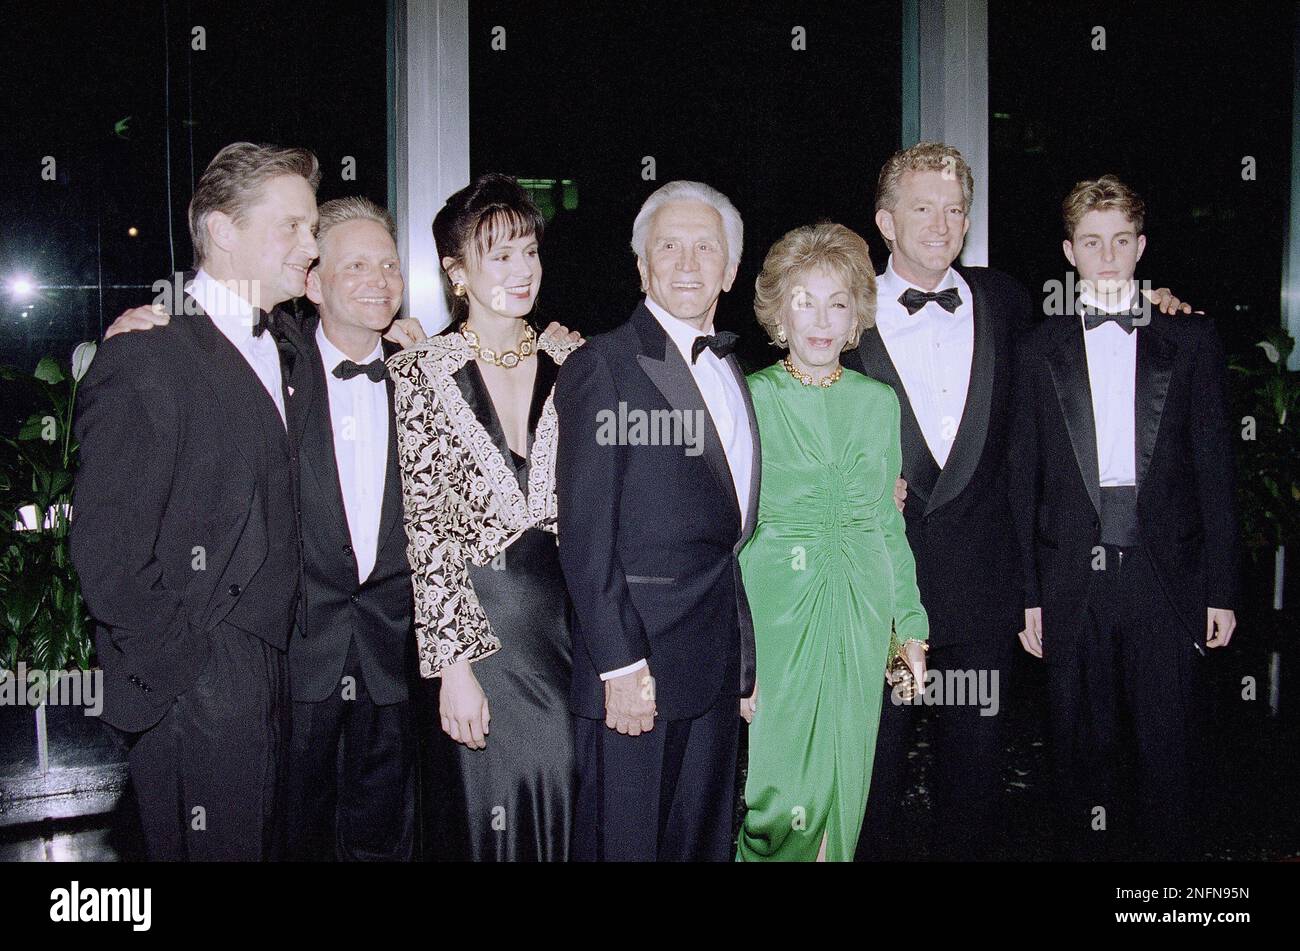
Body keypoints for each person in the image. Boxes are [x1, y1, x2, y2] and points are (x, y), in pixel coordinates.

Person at [843, 142, 1192, 861]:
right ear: (884, 220)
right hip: (872, 597)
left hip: (982, 597)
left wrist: (1157, 304)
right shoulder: (839, 311)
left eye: (955, 209)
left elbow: (1099, 311)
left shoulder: (1005, 301)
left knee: (972, 797)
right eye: (922, 208)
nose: (942, 224)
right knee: (867, 790)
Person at [71, 142, 320, 860]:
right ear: (220, 230)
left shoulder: (288, 345)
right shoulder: (147, 353)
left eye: (312, 228)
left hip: (274, 673)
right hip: (199, 678)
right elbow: (107, 553)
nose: (312, 243)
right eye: (293, 227)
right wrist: (185, 665)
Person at [1009, 175, 1238, 861]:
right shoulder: (1034, 349)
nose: (1106, 257)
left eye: (1118, 242)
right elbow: (1024, 482)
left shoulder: (1191, 339)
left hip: (1166, 576)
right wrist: (1028, 594)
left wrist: (1222, 588)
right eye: (1090, 242)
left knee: (1170, 759)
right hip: (1072, 576)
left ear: (1139, 246)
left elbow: (1217, 472)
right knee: (1082, 757)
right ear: (1069, 251)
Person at [554, 180, 760, 861]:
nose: (687, 262)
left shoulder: (734, 368)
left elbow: (726, 537)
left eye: (706, 247)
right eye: (667, 245)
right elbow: (585, 538)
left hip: (712, 667)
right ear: (641, 265)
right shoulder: (602, 365)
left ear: (730, 269)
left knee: (701, 844)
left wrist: (744, 662)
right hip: (637, 672)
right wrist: (620, 666)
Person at [386, 173, 581, 861]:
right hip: (480, 636)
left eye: (528, 250)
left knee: (567, 797)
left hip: (565, 630)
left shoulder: (576, 362)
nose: (521, 269)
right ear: (457, 271)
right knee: (482, 818)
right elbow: (426, 527)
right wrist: (454, 668)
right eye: (499, 254)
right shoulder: (419, 370)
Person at [736, 223, 928, 862]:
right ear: (777, 313)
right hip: (777, 614)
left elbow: (887, 523)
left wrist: (909, 629)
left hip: (861, 610)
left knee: (847, 785)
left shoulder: (878, 403)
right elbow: (727, 532)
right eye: (803, 300)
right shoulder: (749, 397)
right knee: (776, 795)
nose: (820, 319)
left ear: (855, 320)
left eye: (837, 303)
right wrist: (732, 647)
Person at [281, 197, 417, 861]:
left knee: (385, 837)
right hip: (297, 651)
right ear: (314, 283)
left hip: (393, 650)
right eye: (357, 264)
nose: (380, 279)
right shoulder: (271, 370)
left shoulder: (420, 375)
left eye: (389, 265)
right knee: (291, 834)